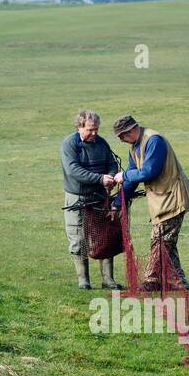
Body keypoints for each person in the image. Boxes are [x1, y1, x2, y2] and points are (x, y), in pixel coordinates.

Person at [109, 114, 189, 291]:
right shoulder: (134, 147)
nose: (121, 140)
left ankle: (151, 281)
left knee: (159, 240)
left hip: (174, 197)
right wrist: (118, 202)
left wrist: (124, 175)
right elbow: (132, 180)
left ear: (132, 129)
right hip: (160, 201)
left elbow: (150, 171)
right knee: (167, 242)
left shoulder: (154, 141)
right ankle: (178, 282)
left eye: (122, 136)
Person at [60, 110, 122, 290]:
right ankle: (84, 280)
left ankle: (108, 279)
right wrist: (99, 179)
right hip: (77, 197)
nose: (94, 133)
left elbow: (112, 163)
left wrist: (110, 177)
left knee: (105, 237)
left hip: (100, 197)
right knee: (78, 238)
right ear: (79, 127)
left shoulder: (101, 143)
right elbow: (73, 170)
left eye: (96, 129)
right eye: (90, 129)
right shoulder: (69, 144)